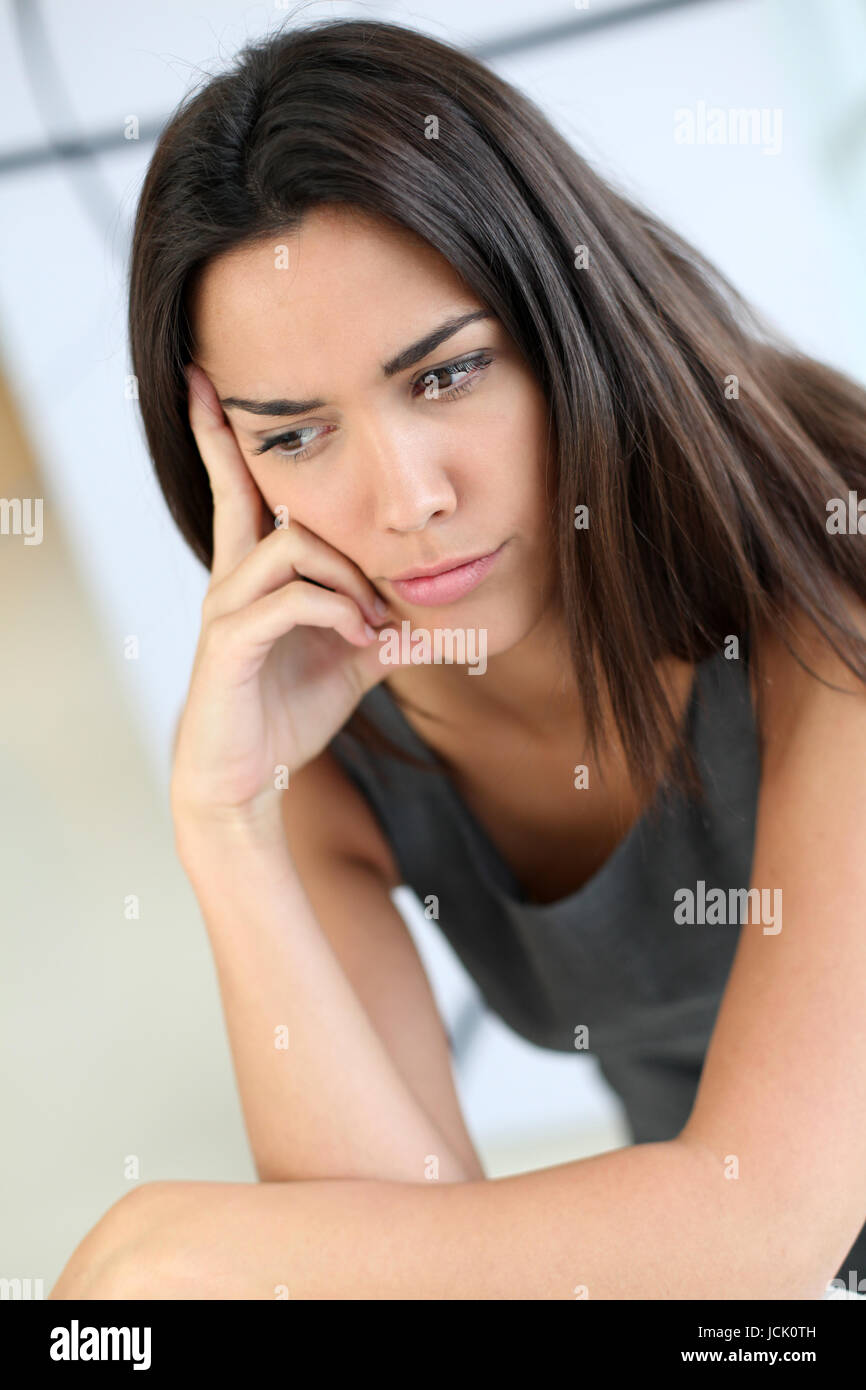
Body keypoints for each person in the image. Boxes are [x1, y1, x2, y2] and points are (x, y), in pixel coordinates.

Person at [51, 17, 866, 1300]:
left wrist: (174, 1246)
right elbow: (387, 1262)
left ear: (570, 328)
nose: (404, 497)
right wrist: (227, 823)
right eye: (296, 433)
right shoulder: (318, 724)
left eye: (444, 377)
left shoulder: (824, 602)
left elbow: (754, 1230)